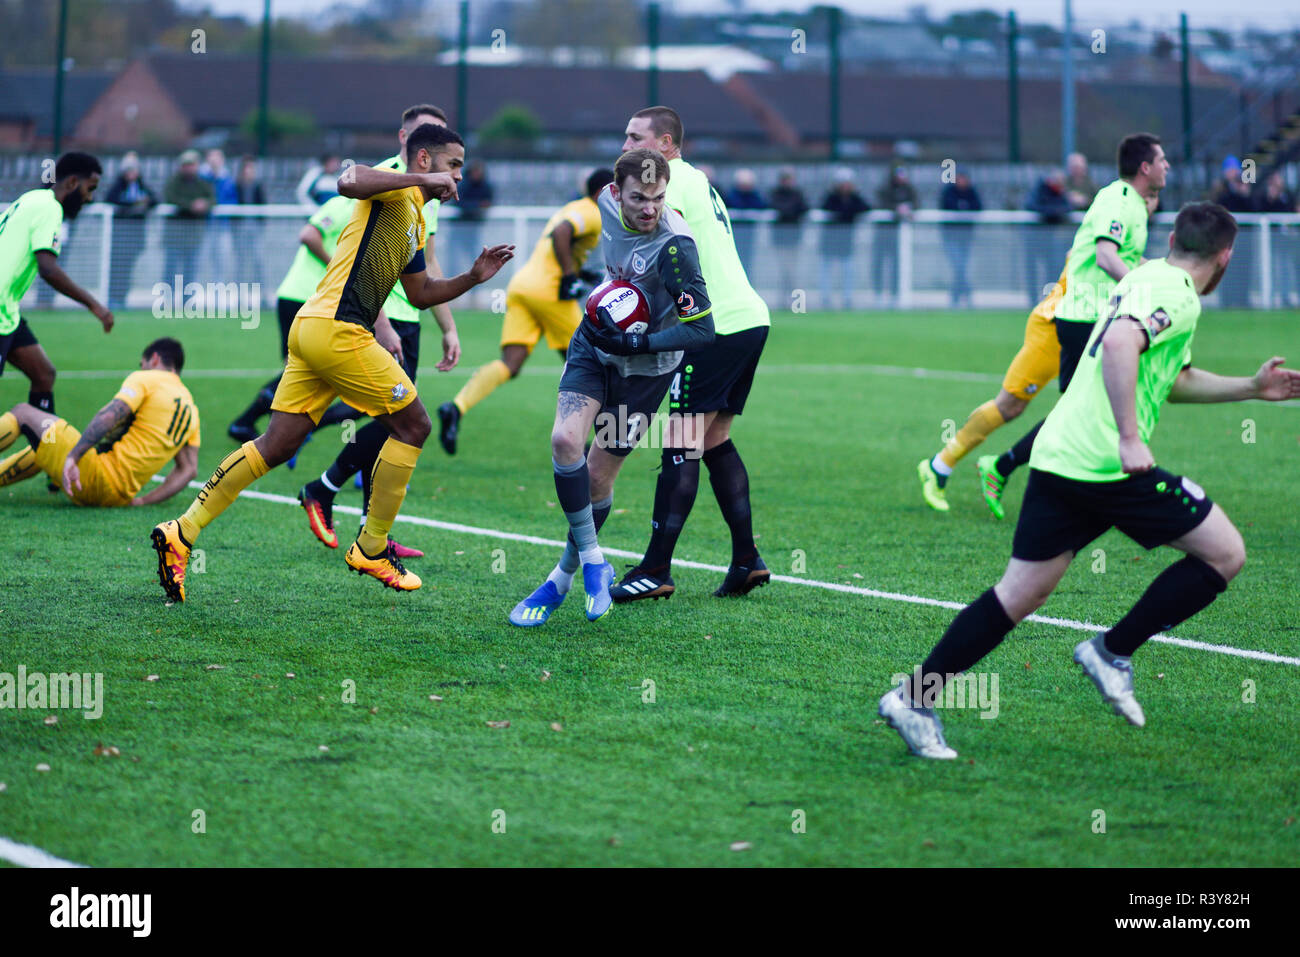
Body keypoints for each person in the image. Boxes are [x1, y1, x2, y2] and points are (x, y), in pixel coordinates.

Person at [881, 202, 1300, 759]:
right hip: (1105, 464)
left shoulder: (1147, 275)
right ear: (1227, 257)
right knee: (1225, 554)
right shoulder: (1175, 293)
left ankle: (914, 698)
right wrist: (1129, 436)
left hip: (1060, 456)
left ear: (1172, 236)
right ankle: (1111, 651)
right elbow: (1125, 342)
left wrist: (1251, 387)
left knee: (1018, 595)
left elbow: (1173, 378)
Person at [148, 123, 514, 604]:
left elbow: (421, 294)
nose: (459, 179)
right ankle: (371, 547)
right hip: (338, 329)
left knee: (276, 445)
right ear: (423, 160)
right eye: (453, 166)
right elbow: (347, 179)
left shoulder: (417, 220)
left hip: (315, 329)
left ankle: (183, 529)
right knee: (415, 425)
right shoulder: (392, 188)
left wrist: (473, 276)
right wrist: (421, 182)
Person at [508, 148, 713, 626]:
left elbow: (703, 330)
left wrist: (635, 340)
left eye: (658, 199)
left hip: (647, 368)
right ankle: (597, 561)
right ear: (615, 192)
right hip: (594, 344)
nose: (649, 209)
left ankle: (562, 576)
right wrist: (612, 332)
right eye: (639, 198)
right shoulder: (602, 202)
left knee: (598, 478)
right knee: (564, 441)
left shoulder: (675, 248)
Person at [917, 133, 1167, 515]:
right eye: (1151, 201)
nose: (1152, 208)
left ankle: (1018, 473)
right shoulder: (1115, 211)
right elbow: (1097, 260)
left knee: (1081, 410)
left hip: (1083, 324)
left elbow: (1119, 263)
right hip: (1055, 324)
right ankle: (941, 465)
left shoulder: (1126, 224)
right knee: (1013, 404)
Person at [608, 105, 772, 603]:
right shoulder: (695, 177)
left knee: (680, 441)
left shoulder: (666, 181)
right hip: (749, 319)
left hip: (713, 327)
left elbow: (654, 232)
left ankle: (657, 567)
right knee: (714, 438)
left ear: (665, 144)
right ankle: (747, 559)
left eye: (636, 137)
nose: (626, 146)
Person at [296, 104, 465, 558]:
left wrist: (448, 328)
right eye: (421, 137)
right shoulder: (388, 179)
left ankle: (373, 531)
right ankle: (328, 492)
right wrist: (381, 324)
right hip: (362, 320)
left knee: (397, 422)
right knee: (402, 421)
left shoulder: (428, 194)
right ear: (408, 142)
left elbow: (425, 270)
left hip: (404, 318)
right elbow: (348, 243)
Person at [435, 168, 614, 455]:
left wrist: (581, 273)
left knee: (510, 363)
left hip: (523, 286)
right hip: (550, 292)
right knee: (590, 364)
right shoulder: (592, 210)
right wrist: (569, 277)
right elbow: (562, 233)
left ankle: (456, 407)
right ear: (602, 191)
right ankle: (596, 439)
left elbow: (562, 239)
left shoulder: (574, 206)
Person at [0, 338, 198, 507]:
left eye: (142, 363)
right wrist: (143, 501)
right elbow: (188, 470)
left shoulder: (148, 378)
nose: (142, 368)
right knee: (48, 443)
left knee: (22, 412)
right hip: (115, 497)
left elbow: (110, 416)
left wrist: (74, 456)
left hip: (95, 475)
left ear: (154, 359)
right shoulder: (191, 410)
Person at [0, 151, 112, 417]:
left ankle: (42, 453)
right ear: (73, 182)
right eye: (89, 188)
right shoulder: (50, 207)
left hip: (8, 311)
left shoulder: (32, 198)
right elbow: (48, 269)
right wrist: (95, 305)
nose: (90, 197)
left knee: (44, 374)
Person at [104, 152, 157, 310]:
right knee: (116, 270)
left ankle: (122, 298)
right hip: (119, 238)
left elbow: (155, 199)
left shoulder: (141, 186)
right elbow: (111, 200)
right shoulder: (118, 186)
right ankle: (113, 298)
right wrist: (131, 205)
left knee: (127, 271)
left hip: (135, 237)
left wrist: (144, 204)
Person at [163, 150, 215, 287]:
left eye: (192, 164)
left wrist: (205, 204)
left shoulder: (202, 183)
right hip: (174, 235)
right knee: (171, 270)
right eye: (186, 165)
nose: (189, 168)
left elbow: (212, 199)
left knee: (190, 270)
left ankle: (187, 302)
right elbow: (171, 198)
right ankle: (168, 301)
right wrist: (191, 205)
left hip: (194, 236)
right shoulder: (174, 182)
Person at [819, 169, 869, 310]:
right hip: (830, 242)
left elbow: (865, 207)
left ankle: (847, 298)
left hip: (846, 243)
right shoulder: (831, 198)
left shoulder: (854, 199)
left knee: (848, 272)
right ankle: (825, 299)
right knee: (827, 272)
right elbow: (829, 210)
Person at [1023, 170, 1072, 308]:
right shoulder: (1039, 190)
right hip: (1032, 239)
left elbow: (1067, 206)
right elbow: (1032, 206)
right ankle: (1032, 301)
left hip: (1048, 241)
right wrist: (1053, 212)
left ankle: (1048, 298)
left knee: (1052, 269)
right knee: (1031, 271)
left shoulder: (1059, 193)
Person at [871, 165, 918, 307]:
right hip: (883, 234)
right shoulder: (885, 189)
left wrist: (908, 209)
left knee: (897, 265)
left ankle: (895, 294)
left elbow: (916, 202)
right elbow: (880, 203)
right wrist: (897, 209)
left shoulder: (909, 189)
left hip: (899, 236)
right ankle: (878, 293)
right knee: (878, 264)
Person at [939, 171, 982, 308]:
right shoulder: (949, 192)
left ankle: (956, 298)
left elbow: (978, 207)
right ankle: (966, 295)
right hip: (951, 237)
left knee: (961, 268)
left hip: (966, 238)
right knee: (959, 267)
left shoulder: (972, 192)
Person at [1255, 171, 1297, 307]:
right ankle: (1270, 297)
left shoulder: (1288, 196)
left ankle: (1285, 298)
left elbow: (1292, 213)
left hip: (1286, 241)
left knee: (1285, 270)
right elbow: (1261, 212)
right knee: (1271, 269)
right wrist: (1271, 199)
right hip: (1270, 241)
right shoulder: (1265, 197)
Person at [768, 167, 808, 305]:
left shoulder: (797, 194)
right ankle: (783, 301)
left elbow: (802, 208)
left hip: (794, 240)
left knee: (792, 272)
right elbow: (778, 207)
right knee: (783, 272)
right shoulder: (776, 193)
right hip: (780, 240)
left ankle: (796, 303)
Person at [455, 160, 494, 275]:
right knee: (454, 257)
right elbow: (458, 202)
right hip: (459, 227)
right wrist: (477, 205)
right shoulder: (464, 185)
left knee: (475, 255)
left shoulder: (486, 186)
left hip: (474, 227)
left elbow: (489, 201)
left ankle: (475, 281)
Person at [725, 168, 766, 273]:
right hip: (734, 236)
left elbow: (761, 206)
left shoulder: (754, 196)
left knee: (748, 262)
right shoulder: (732, 196)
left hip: (749, 237)